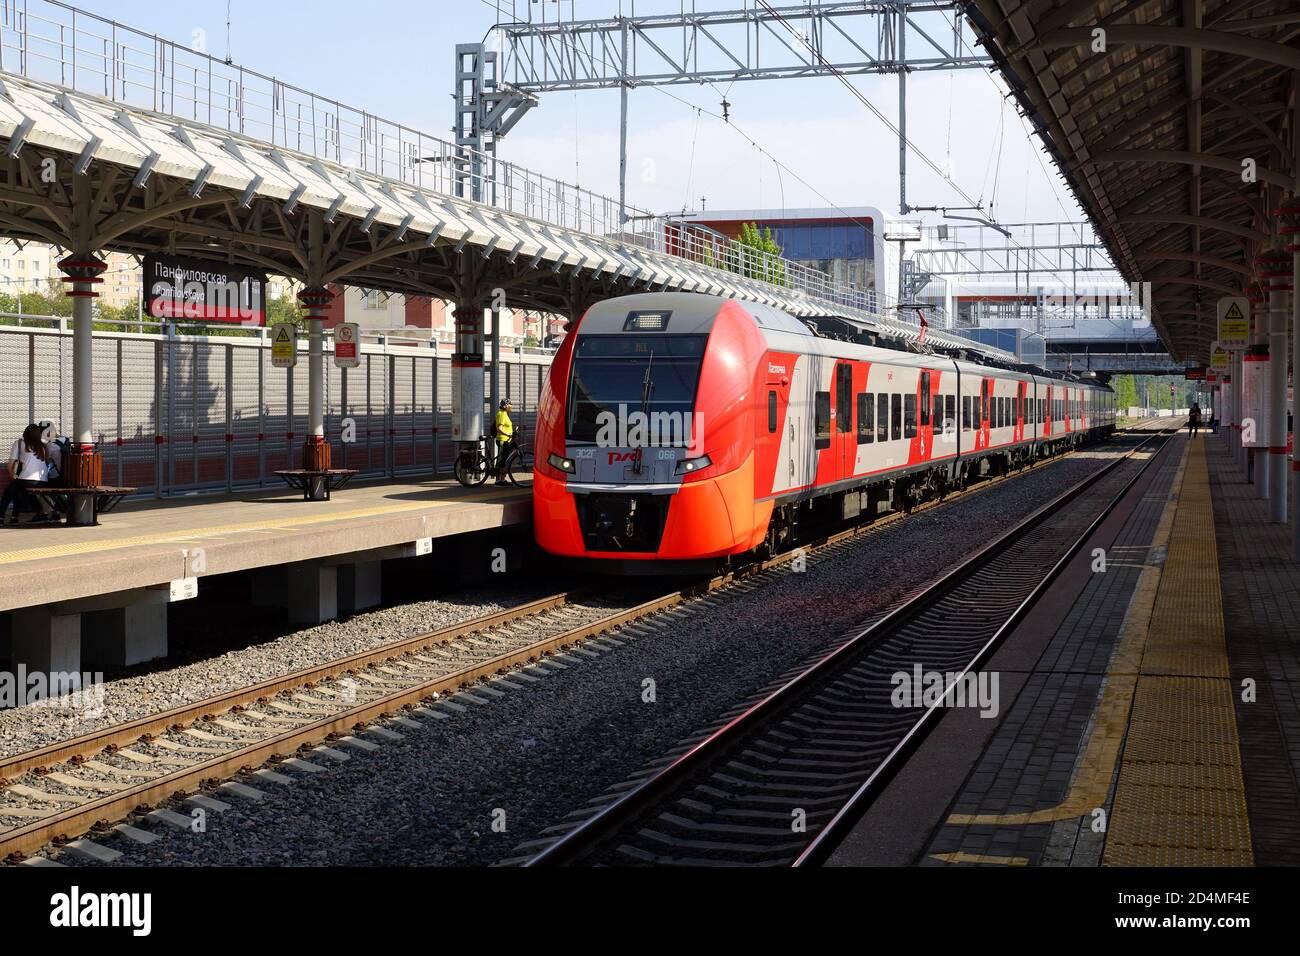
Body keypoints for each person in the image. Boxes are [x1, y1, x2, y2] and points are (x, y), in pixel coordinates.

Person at [1, 423, 55, 525]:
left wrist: (13, 477)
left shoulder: (20, 443)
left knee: (8, 493)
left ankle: (1, 517)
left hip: (26, 479)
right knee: (19, 490)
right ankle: (16, 517)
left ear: (25, 433)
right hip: (42, 481)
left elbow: (10, 465)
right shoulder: (43, 447)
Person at [494, 398, 515, 485]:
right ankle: (499, 480)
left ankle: (502, 479)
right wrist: (507, 434)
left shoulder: (505, 414)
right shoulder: (501, 414)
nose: (511, 406)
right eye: (510, 404)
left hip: (506, 440)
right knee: (502, 460)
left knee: (504, 460)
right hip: (503, 440)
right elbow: (499, 429)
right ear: (505, 405)